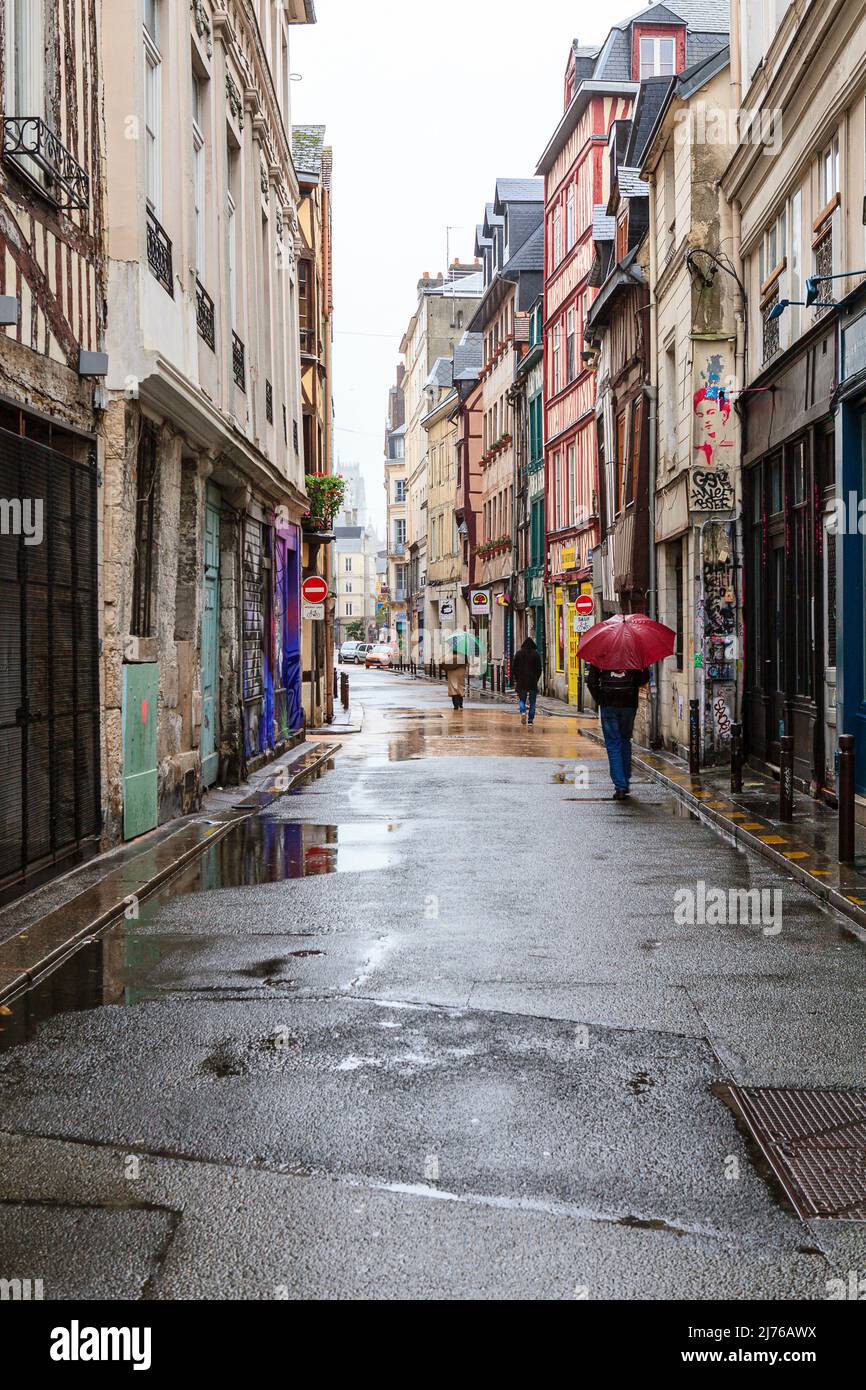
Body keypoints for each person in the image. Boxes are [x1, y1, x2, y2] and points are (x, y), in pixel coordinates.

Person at [587, 664, 650, 800]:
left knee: (613, 744)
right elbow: (643, 678)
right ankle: (625, 782)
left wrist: (601, 699)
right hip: (628, 704)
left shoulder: (601, 653)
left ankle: (620, 786)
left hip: (608, 704)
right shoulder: (633, 651)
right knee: (625, 741)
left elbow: (591, 682)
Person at [512, 636, 543, 727]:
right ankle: (530, 720)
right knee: (532, 702)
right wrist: (536, 679)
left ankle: (523, 711)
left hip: (521, 681)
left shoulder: (518, 654)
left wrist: (517, 678)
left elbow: (514, 668)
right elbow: (539, 669)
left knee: (522, 700)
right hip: (532, 681)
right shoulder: (536, 654)